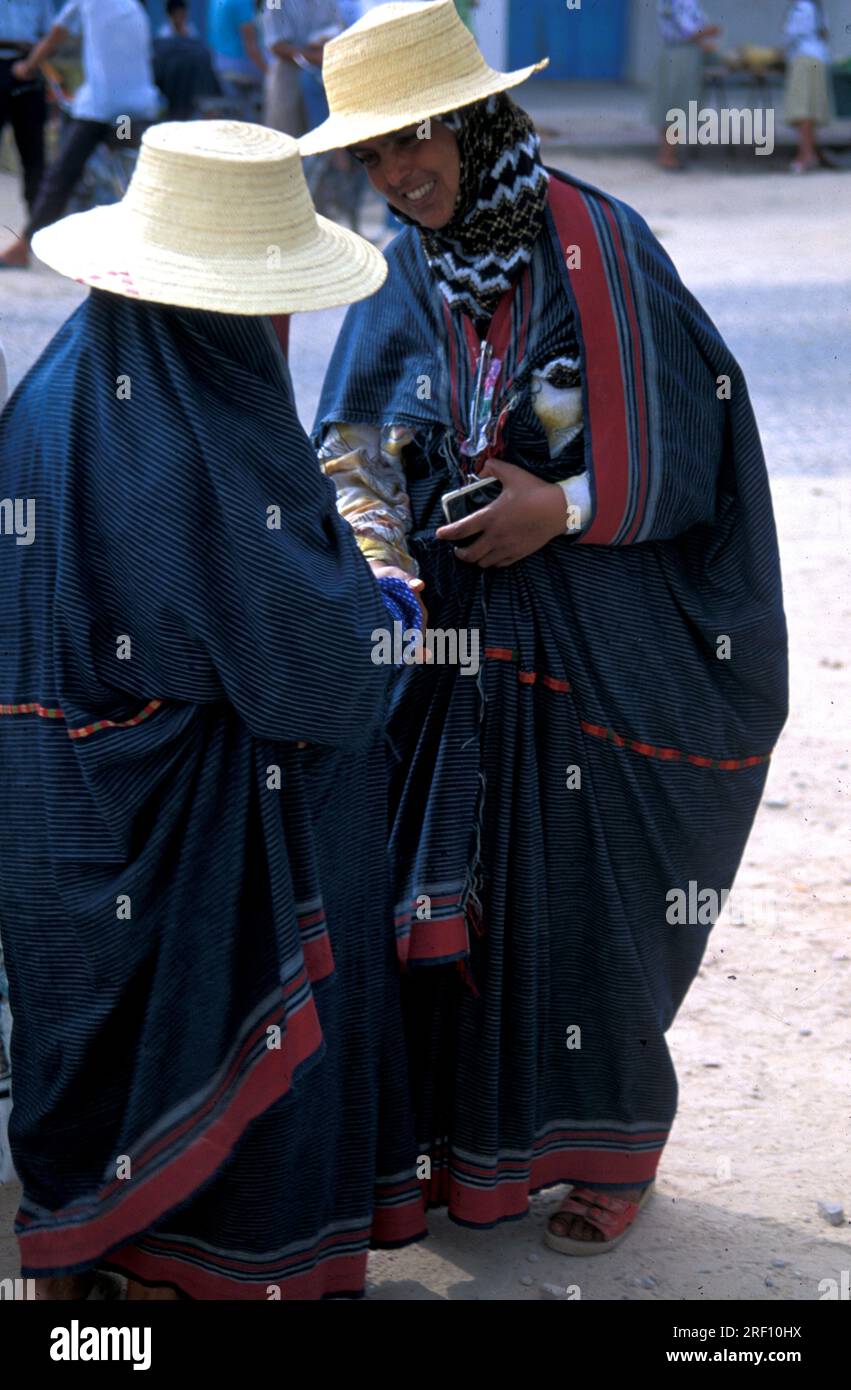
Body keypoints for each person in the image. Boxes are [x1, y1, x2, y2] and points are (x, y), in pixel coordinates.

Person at [308, 1, 788, 1253]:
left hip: (605, 647)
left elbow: (699, 441)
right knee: (445, 904)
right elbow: (351, 435)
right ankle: (471, 1152)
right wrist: (377, 554)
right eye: (368, 155)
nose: (396, 175)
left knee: (590, 903)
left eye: (414, 139)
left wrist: (559, 504)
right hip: (454, 647)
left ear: (475, 119)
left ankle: (610, 1144)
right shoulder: (403, 260)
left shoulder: (599, 247)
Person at [0, 119, 426, 1299]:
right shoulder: (206, 436)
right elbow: (318, 679)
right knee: (331, 803)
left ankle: (87, 1252)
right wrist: (383, 613)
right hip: (179, 823)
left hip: (57, 808)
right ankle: (246, 1255)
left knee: (82, 1046)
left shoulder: (62, 381)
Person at [0, 0, 161, 269]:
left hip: (99, 110)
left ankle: (23, 246)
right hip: (133, 110)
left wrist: (27, 67)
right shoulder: (133, 7)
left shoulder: (83, 2)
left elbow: (52, 40)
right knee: (122, 163)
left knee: (62, 174)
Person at [0, 1, 55, 223]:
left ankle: (35, 226)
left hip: (30, 69)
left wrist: (32, 59)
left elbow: (51, 35)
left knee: (34, 155)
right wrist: (16, 44)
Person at [653, 0, 720, 170]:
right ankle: (667, 155)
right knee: (674, 104)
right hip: (679, 54)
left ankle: (670, 153)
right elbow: (687, 31)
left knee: (681, 105)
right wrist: (708, 31)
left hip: (689, 53)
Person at [262, 0, 341, 139]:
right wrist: (312, 56)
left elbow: (336, 25)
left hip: (323, 68)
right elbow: (275, 44)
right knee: (288, 135)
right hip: (289, 72)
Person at [783, 0, 833, 173]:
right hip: (818, 57)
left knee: (802, 109)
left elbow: (792, 35)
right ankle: (811, 153)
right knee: (811, 109)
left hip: (803, 58)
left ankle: (804, 156)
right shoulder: (818, 8)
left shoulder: (802, 7)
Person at [208, 0, 265, 120]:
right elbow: (251, 49)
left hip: (219, 63)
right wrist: (271, 74)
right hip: (238, 64)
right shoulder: (242, 3)